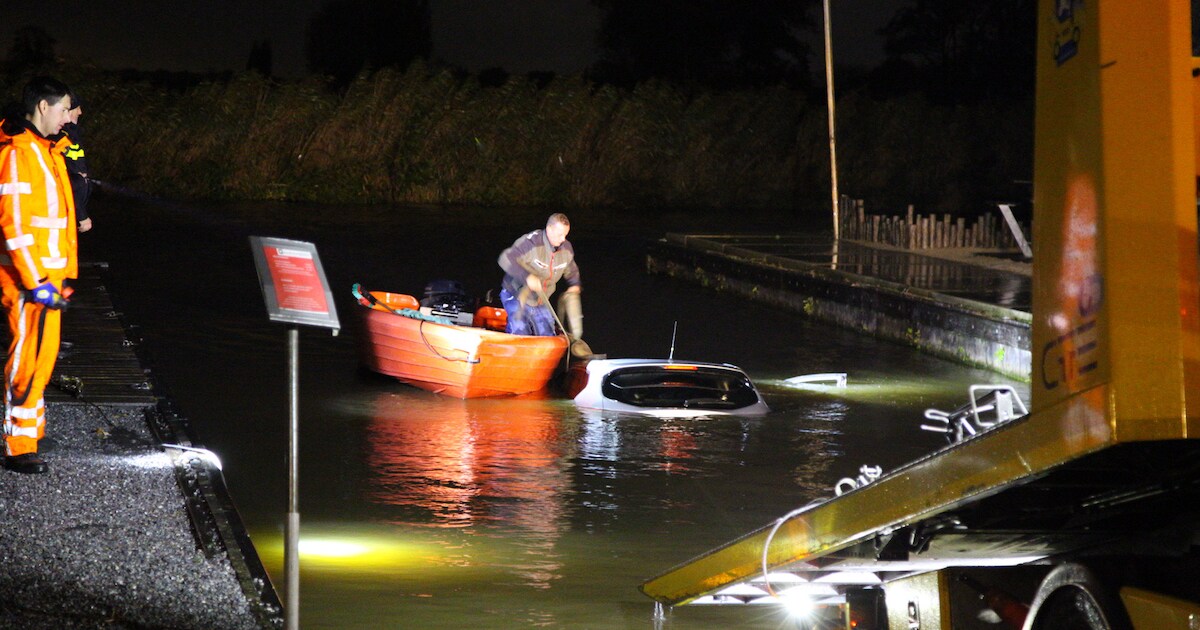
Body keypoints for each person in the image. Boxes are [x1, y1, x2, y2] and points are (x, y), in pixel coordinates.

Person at [0, 77, 79, 474]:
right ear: (44, 107)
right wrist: (36, 283)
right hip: (28, 280)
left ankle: (30, 434)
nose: (69, 117)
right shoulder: (18, 153)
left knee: (41, 357)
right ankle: (16, 446)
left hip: (47, 278)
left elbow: (55, 221)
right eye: (65, 109)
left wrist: (61, 276)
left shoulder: (47, 151)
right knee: (25, 358)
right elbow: (14, 225)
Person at [497, 213, 581, 337]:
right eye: (560, 234)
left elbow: (571, 269)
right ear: (549, 229)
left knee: (548, 336)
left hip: (541, 300)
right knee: (520, 332)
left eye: (565, 235)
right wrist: (527, 277)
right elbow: (505, 258)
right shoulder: (531, 243)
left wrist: (574, 284)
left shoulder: (566, 248)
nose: (563, 239)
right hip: (516, 295)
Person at [54, 91, 92, 233]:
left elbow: (79, 164)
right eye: (77, 108)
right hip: (65, 209)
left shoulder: (72, 134)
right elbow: (66, 183)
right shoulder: (59, 136)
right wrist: (81, 214)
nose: (80, 112)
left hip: (72, 209)